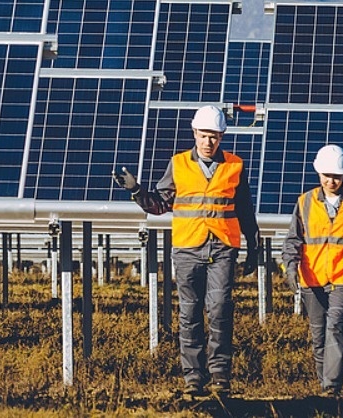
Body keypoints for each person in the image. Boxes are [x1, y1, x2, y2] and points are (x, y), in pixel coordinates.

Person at [112, 105, 260, 396]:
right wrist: (137, 192)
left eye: (214, 137)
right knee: (190, 313)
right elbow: (161, 204)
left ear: (222, 137)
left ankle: (220, 376)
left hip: (222, 246)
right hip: (187, 247)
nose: (209, 142)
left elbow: (244, 208)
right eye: (204, 135)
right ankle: (194, 377)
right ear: (194, 133)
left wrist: (253, 245)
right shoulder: (178, 164)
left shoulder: (235, 165)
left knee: (219, 310)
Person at [281, 144, 343, 398]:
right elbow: (293, 240)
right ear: (318, 174)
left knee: (335, 326)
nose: (331, 180)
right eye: (327, 175)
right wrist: (290, 267)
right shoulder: (304, 202)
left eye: (336, 175)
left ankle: (331, 387)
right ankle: (325, 384)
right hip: (312, 276)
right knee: (318, 333)